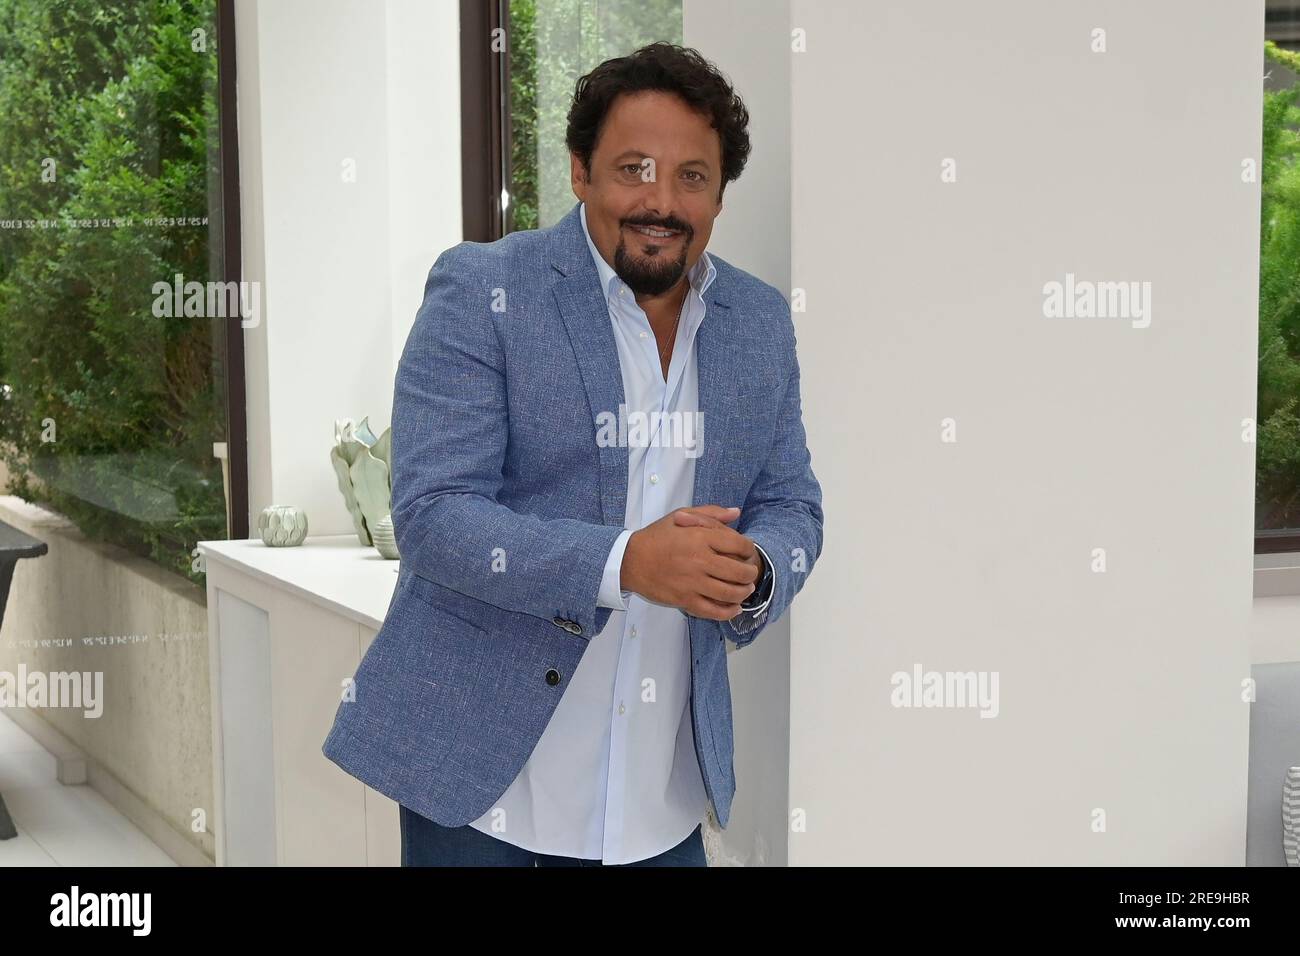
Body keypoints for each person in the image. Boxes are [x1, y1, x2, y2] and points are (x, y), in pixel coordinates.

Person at [322, 41, 823, 867]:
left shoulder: (758, 323)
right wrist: (628, 563)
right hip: (486, 797)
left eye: (691, 176)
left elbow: (793, 502)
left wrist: (755, 573)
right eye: (634, 168)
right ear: (581, 171)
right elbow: (434, 515)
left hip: (659, 804)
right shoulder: (484, 290)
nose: (661, 200)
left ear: (719, 194)